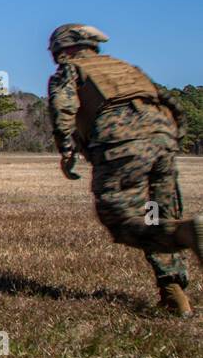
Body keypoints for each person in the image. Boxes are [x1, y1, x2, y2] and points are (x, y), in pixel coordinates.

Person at [47, 23, 201, 316]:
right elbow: (169, 103)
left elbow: (63, 109)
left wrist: (66, 150)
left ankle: (188, 234)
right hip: (163, 139)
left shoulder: (71, 69)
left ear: (63, 48)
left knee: (119, 217)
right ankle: (174, 295)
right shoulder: (126, 68)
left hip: (121, 143)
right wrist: (169, 140)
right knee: (157, 215)